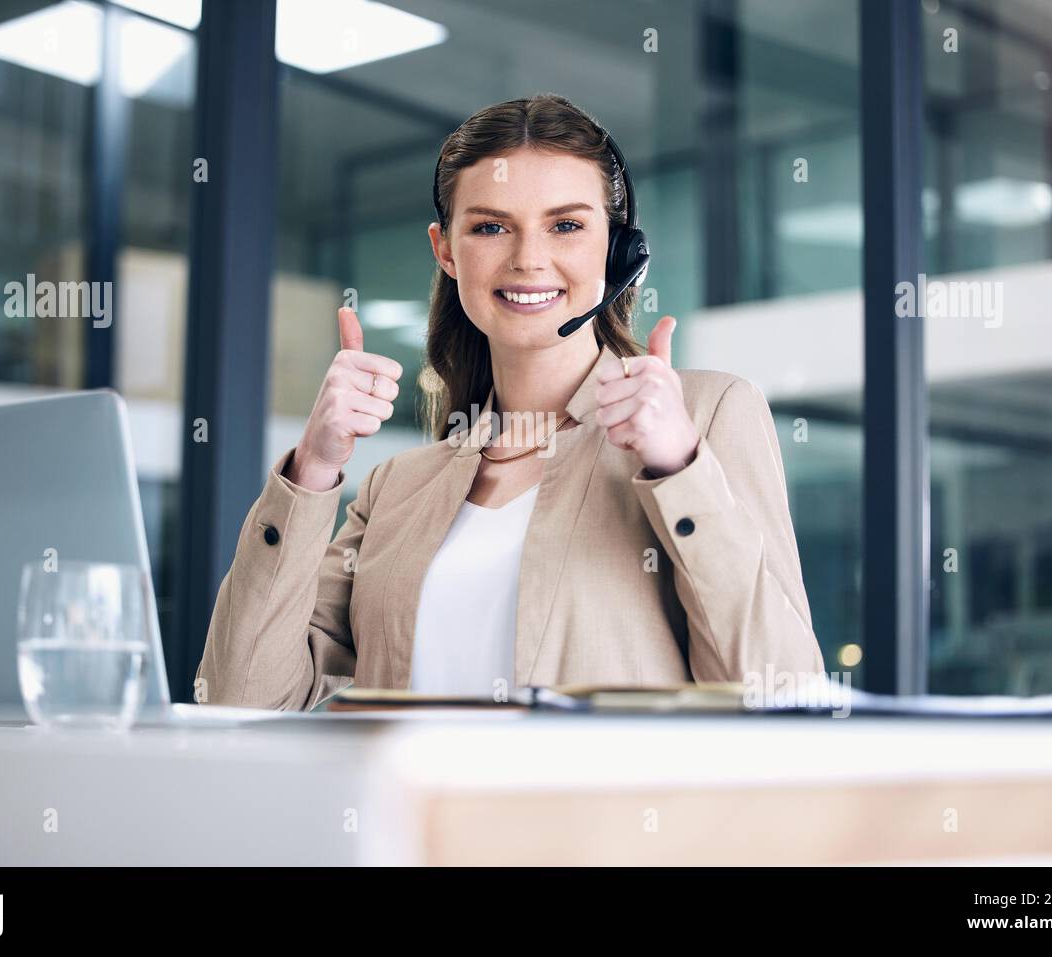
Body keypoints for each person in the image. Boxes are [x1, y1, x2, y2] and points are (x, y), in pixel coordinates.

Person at [196, 93, 823, 712]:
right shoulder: (396, 490)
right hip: (413, 816)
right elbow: (242, 701)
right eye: (491, 227)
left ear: (617, 250)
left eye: (567, 225)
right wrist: (312, 469)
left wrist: (678, 469)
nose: (528, 259)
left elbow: (782, 696)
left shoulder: (708, 415)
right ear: (445, 249)